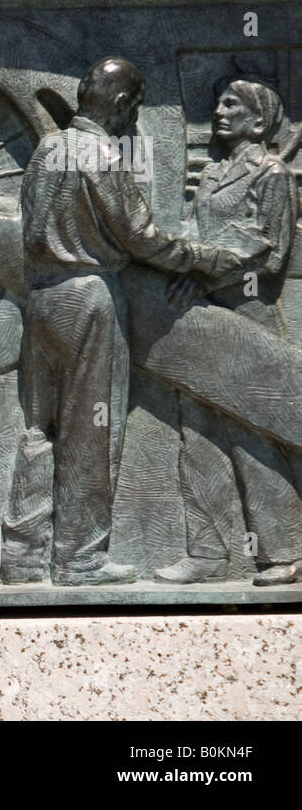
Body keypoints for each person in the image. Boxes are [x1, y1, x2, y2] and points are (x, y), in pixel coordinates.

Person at [17, 56, 245, 585]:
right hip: (88, 298)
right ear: (121, 104)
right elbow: (140, 237)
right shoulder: (100, 153)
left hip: (43, 297)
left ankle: (22, 554)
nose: (134, 119)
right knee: (90, 431)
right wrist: (203, 258)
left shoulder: (47, 148)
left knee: (36, 427)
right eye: (135, 107)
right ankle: (78, 559)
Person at [156, 79, 302, 586]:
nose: (218, 110)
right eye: (218, 101)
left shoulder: (273, 173)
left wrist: (199, 273)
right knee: (194, 431)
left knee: (252, 435)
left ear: (259, 121)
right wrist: (181, 268)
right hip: (198, 314)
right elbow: (195, 232)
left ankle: (282, 551)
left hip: (246, 313)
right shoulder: (214, 172)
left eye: (231, 104)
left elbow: (267, 246)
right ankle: (207, 551)